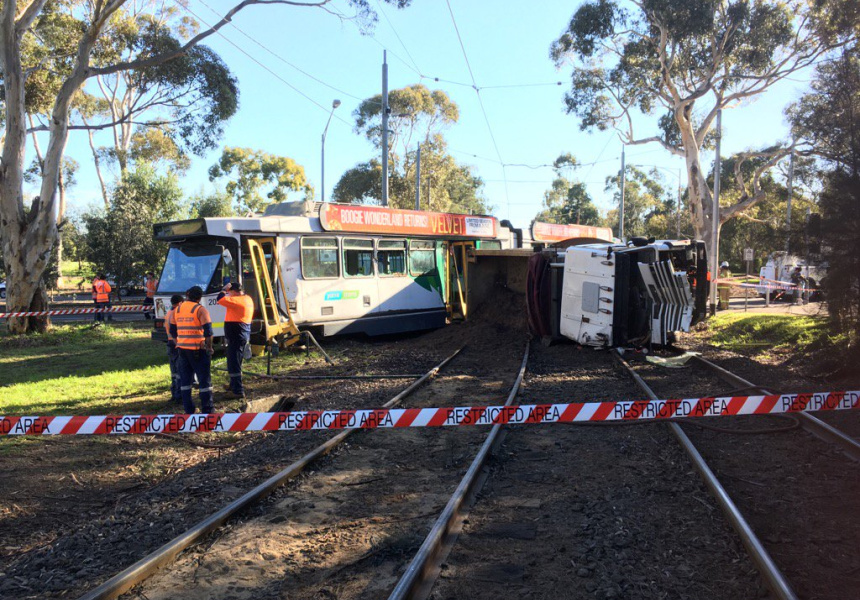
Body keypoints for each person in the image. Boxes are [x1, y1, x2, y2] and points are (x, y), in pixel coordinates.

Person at [171, 286, 214, 414]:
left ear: (187, 294)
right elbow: (209, 332)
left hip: (182, 349)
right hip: (198, 350)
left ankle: (189, 409)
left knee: (185, 381)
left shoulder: (177, 309)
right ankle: (208, 410)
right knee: (204, 380)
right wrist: (209, 347)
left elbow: (173, 331)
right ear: (200, 297)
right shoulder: (200, 310)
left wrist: (178, 343)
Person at [217, 282, 254, 399]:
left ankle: (237, 390)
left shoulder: (237, 300)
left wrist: (223, 289)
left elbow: (220, 299)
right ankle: (233, 385)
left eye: (229, 292)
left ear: (233, 291)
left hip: (237, 335)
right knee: (236, 360)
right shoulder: (247, 298)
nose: (228, 294)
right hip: (240, 334)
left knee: (233, 362)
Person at [164, 294, 184, 404]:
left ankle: (174, 393)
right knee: (179, 370)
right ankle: (178, 395)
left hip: (170, 343)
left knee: (174, 371)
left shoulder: (169, 313)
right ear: (180, 302)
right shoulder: (177, 313)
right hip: (176, 343)